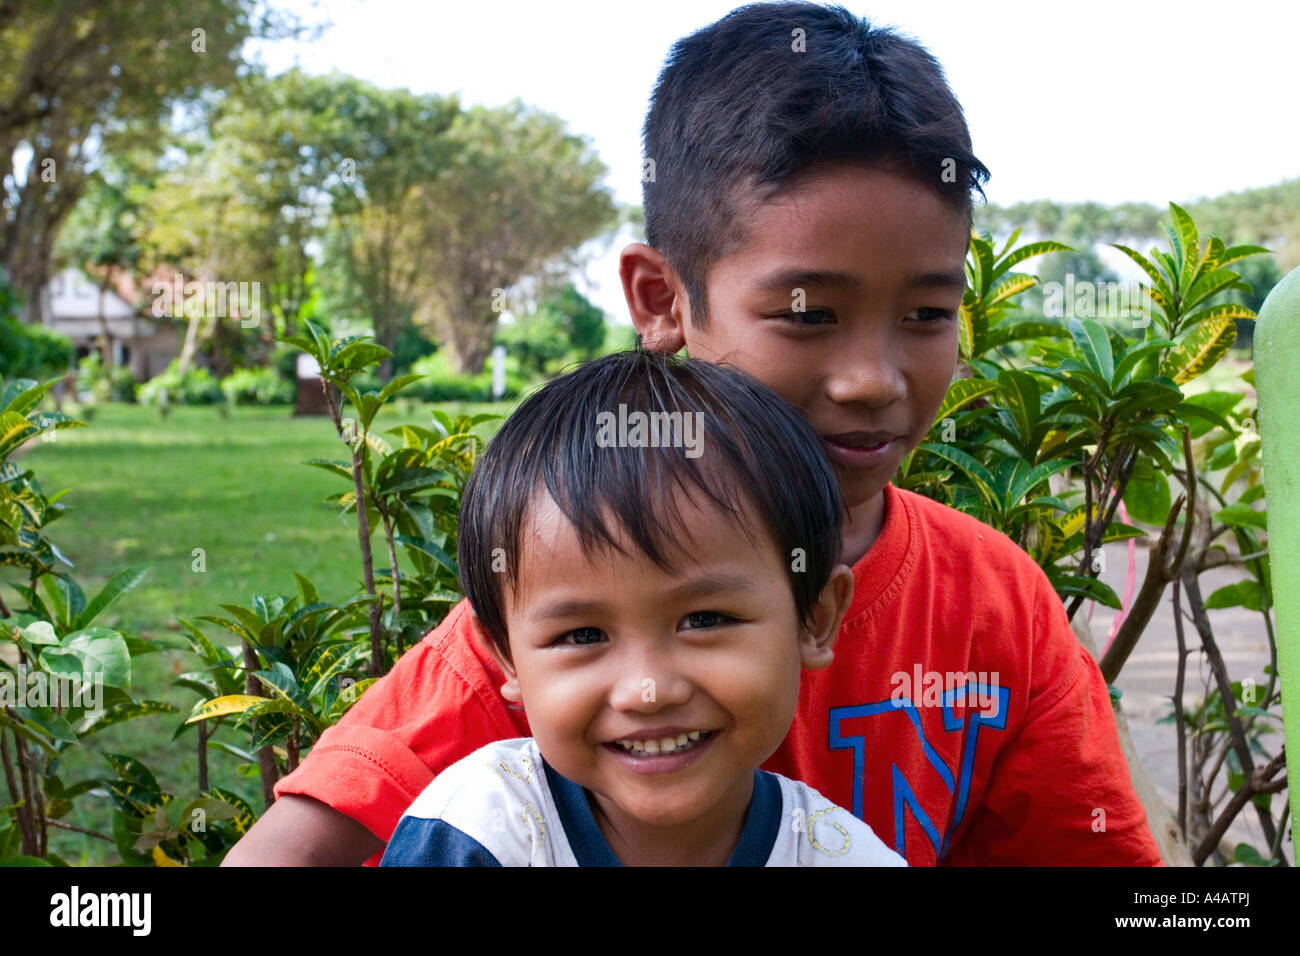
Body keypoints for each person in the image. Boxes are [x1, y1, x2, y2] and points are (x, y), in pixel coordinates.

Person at [224, 2, 1161, 866]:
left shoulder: (994, 607)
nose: (873, 380)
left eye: (925, 314)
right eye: (808, 314)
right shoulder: (570, 598)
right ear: (662, 300)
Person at [380, 351, 905, 866]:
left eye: (704, 620)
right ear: (507, 657)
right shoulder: (478, 835)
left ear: (813, 619)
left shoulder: (841, 854)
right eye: (583, 635)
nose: (647, 691)